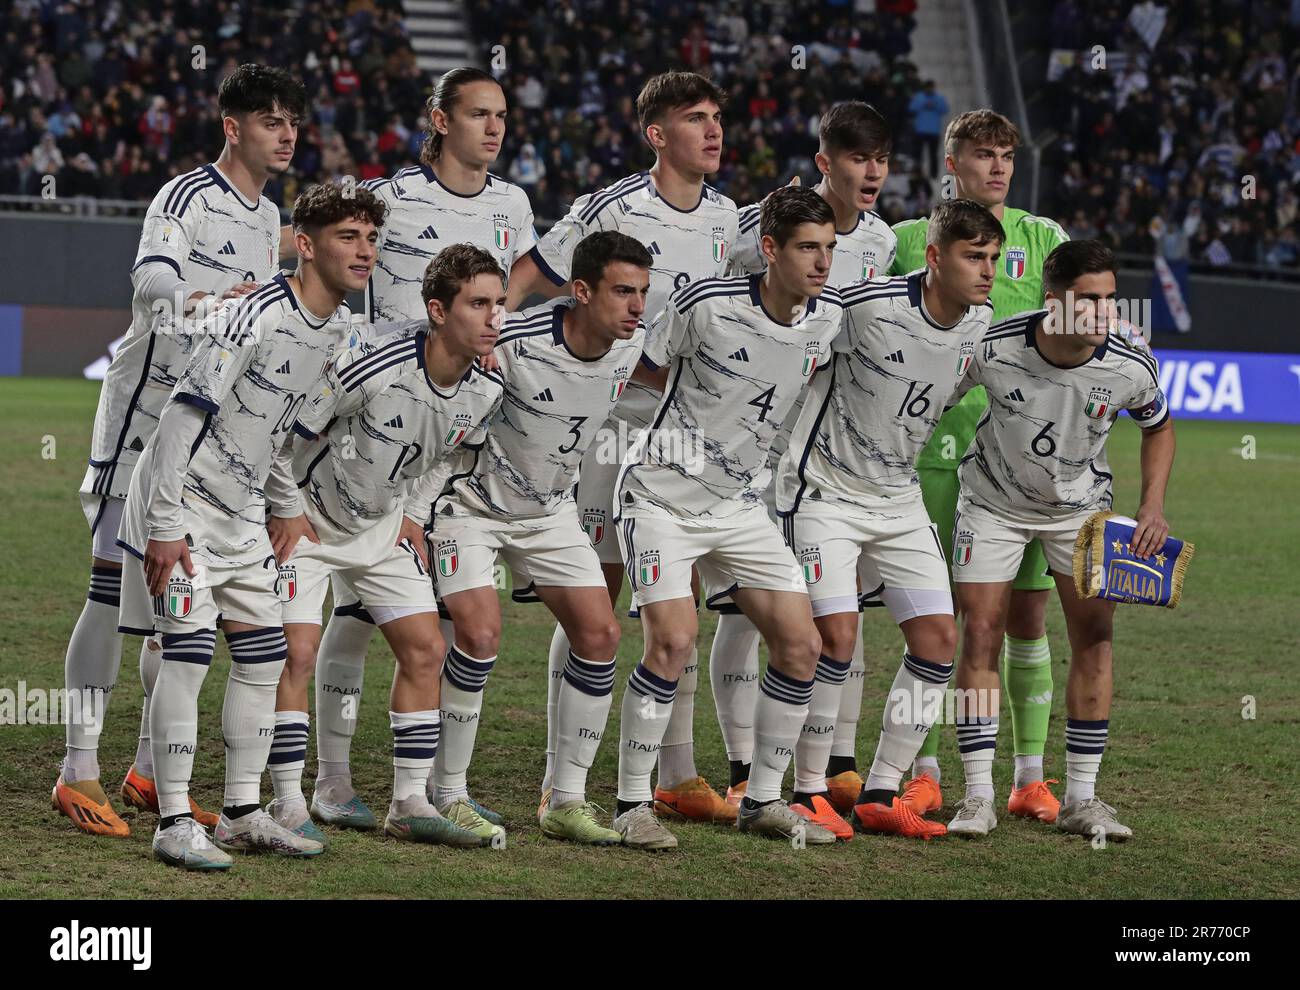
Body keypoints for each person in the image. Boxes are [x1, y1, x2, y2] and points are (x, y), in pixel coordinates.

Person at [54, 64, 306, 840]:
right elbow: (153, 282)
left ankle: (142, 770)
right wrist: (206, 307)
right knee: (107, 592)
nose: (286, 132)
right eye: (269, 120)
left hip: (200, 444)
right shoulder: (186, 196)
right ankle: (76, 771)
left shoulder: (270, 218)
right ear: (232, 128)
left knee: (178, 612)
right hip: (139, 424)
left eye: (292, 120)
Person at [114, 180, 383, 870]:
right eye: (347, 236)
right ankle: (173, 819)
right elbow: (181, 417)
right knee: (188, 654)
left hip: (241, 517)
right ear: (305, 244)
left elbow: (270, 433)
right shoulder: (254, 314)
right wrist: (166, 524)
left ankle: (238, 813)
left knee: (264, 659)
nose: (365, 251)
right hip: (183, 506)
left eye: (372, 238)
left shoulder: (338, 333)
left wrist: (286, 500)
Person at [296, 67, 537, 828]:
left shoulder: (514, 204)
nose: (494, 129)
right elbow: (328, 244)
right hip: (365, 414)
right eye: (477, 114)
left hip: (447, 420)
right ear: (439, 120)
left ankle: (435, 787)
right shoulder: (391, 198)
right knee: (356, 613)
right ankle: (330, 782)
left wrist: (488, 339)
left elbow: (514, 287)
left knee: (426, 619)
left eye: (501, 115)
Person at [507, 71, 741, 826]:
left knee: (684, 592)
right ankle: (560, 781)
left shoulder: (729, 218)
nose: (713, 131)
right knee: (597, 594)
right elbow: (533, 279)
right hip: (614, 421)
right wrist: (483, 344)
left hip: (689, 427)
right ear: (656, 134)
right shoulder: (612, 208)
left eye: (717, 118)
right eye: (695, 119)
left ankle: (675, 773)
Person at [611, 186, 843, 849]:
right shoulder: (705, 306)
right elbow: (637, 375)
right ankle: (632, 804)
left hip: (737, 508)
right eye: (807, 248)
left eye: (829, 248)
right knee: (673, 643)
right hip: (661, 496)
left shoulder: (825, 323)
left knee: (802, 647)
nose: (822, 262)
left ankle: (763, 800)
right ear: (769, 250)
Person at [268, 244, 508, 848]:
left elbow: (445, 458)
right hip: (312, 525)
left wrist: (412, 515)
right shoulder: (372, 361)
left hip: (381, 530)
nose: (493, 318)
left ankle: (409, 801)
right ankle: (292, 799)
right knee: (296, 651)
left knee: (426, 649)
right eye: (478, 304)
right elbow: (286, 430)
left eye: (499, 304)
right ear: (437, 309)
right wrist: (288, 509)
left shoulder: (485, 388)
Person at [778, 198, 1002, 839]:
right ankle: (809, 791)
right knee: (836, 641)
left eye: (992, 257)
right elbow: (790, 347)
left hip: (897, 498)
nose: (986, 271)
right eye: (972, 257)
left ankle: (881, 790)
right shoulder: (865, 307)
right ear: (934, 257)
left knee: (937, 639)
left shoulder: (976, 326)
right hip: (825, 492)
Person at [427, 231, 652, 845]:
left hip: (549, 511)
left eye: (643, 293)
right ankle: (446, 794)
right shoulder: (511, 340)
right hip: (469, 505)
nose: (637, 306)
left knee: (601, 632)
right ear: (581, 292)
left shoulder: (630, 351)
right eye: (623, 292)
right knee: (478, 632)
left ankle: (566, 799)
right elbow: (436, 360)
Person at [946, 240, 1174, 841]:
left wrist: (1152, 505)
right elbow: (932, 396)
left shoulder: (1129, 362)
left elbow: (1159, 427)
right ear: (1054, 301)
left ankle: (1081, 798)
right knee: (981, 636)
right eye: (1089, 301)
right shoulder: (993, 346)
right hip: (992, 502)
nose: (1104, 314)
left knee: (1095, 636)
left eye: (1109, 299)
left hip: (1081, 512)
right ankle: (976, 796)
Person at [714, 100, 897, 815]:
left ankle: (837, 761)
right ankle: (738, 764)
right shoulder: (766, 224)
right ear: (825, 162)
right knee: (740, 609)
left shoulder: (881, 243)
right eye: (857, 157)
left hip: (838, 450)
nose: (872, 170)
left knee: (839, 607)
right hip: (756, 442)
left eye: (880, 158)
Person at [889, 109, 1071, 824]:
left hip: (1020, 471)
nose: (996, 167)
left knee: (1025, 619)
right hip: (928, 461)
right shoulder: (906, 240)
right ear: (951, 162)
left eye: (1005, 156)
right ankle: (922, 771)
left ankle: (1030, 776)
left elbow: (1080, 331)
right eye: (982, 155)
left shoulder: (1044, 238)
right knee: (933, 623)